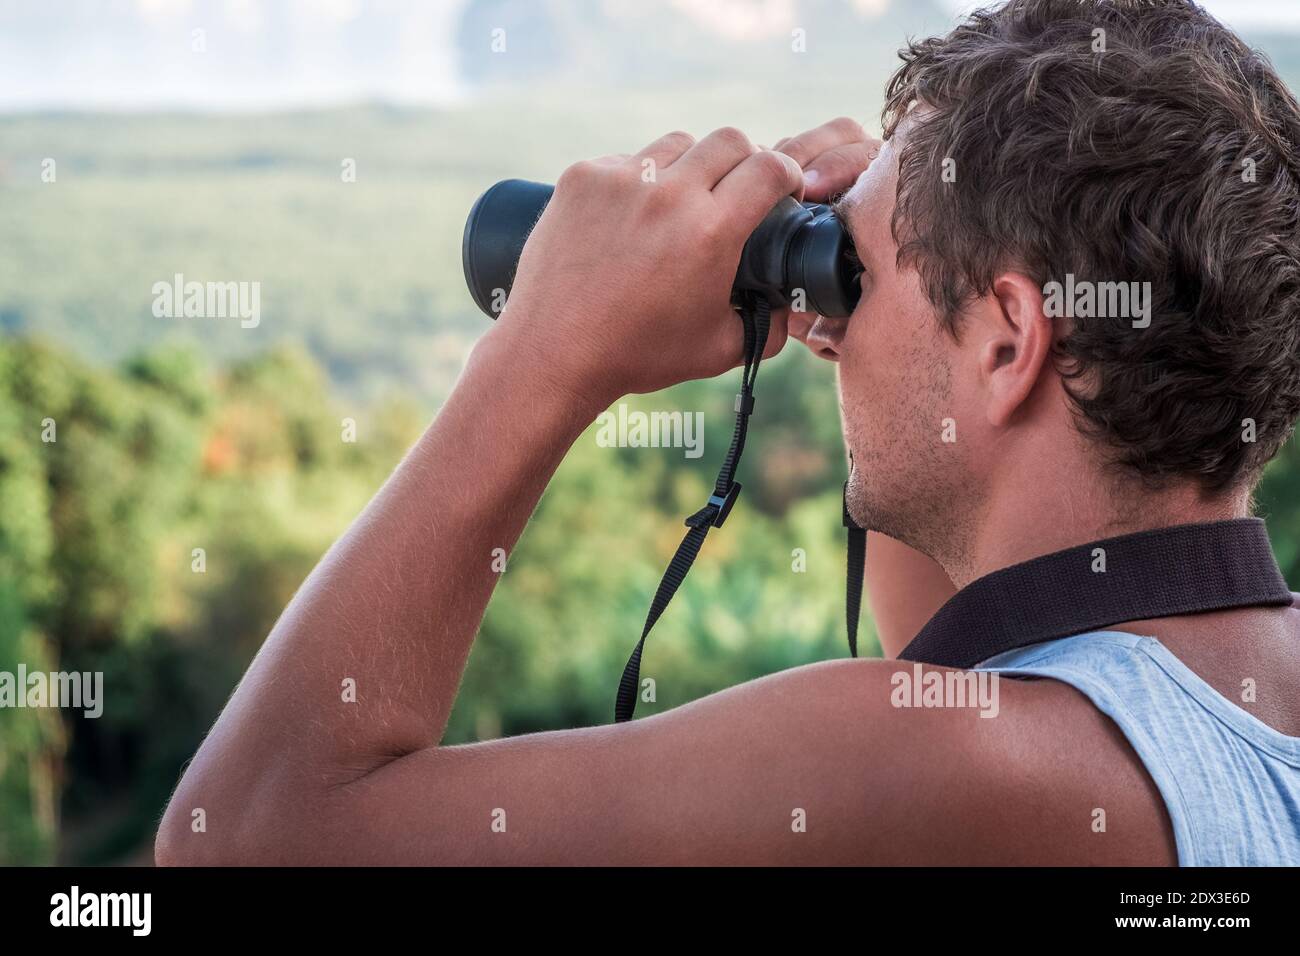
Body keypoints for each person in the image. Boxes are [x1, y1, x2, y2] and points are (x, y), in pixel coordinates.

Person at [156, 0, 1300, 865]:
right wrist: (892, 259)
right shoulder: (1179, 713)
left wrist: (548, 349)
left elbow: (244, 833)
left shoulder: (952, 764)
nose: (834, 325)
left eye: (857, 280)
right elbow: (970, 634)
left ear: (1007, 345)